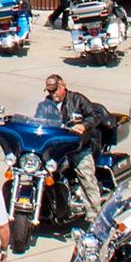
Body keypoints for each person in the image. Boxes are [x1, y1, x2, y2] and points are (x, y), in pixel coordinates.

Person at [40, 75, 105, 221]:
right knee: (39, 169)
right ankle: (44, 204)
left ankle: (95, 214)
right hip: (57, 148)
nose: (52, 94)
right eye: (49, 91)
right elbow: (37, 121)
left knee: (86, 175)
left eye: (54, 90)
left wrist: (84, 125)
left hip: (79, 146)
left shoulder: (77, 99)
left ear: (62, 86)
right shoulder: (45, 104)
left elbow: (94, 116)